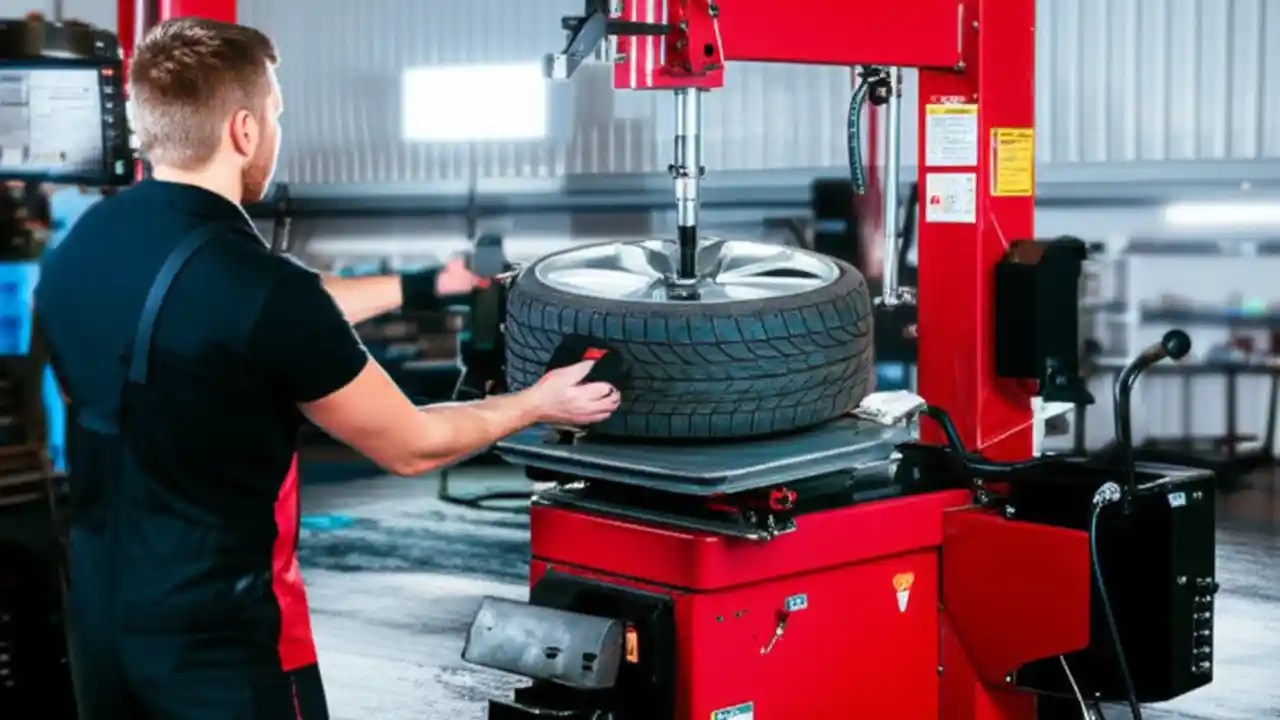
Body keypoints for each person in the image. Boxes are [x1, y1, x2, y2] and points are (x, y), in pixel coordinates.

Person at [34, 18, 620, 720]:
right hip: (224, 646)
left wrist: (423, 286)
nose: (276, 134)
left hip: (101, 628)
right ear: (244, 130)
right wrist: (537, 403)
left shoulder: (85, 245)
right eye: (275, 115)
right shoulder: (261, 289)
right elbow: (411, 444)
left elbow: (233, 317)